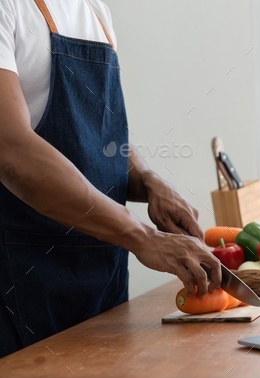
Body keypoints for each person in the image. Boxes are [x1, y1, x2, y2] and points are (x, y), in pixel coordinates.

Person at [0, 0, 221, 358]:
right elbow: (10, 149)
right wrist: (145, 237)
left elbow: (100, 140)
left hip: (104, 280)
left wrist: (148, 181)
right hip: (22, 279)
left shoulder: (95, 10)